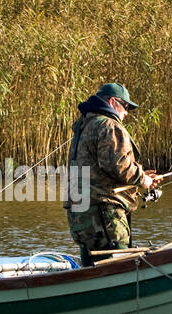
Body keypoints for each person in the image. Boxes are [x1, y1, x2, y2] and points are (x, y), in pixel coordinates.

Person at [64, 83, 160, 266]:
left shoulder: (85, 126)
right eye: (126, 106)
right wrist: (143, 179)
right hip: (104, 214)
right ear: (113, 101)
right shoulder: (109, 125)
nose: (127, 113)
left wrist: (139, 175)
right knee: (118, 266)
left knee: (91, 268)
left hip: (80, 213)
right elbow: (117, 165)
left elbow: (100, 169)